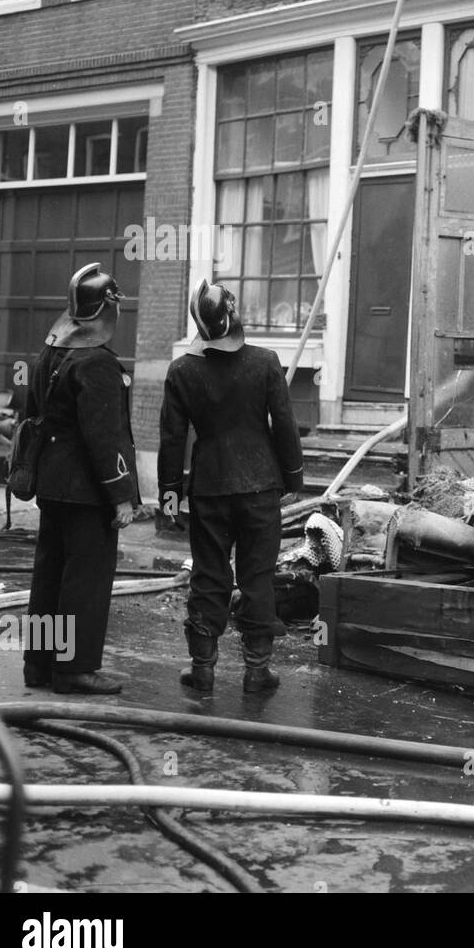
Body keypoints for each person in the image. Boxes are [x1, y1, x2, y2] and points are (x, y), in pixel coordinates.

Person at [158, 280, 304, 695]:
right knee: (258, 577)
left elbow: (171, 438)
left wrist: (170, 494)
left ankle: (202, 668)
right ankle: (257, 671)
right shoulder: (265, 362)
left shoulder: (182, 370)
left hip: (209, 488)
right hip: (260, 488)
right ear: (234, 315)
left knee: (208, 576)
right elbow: (285, 426)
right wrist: (293, 478)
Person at [24, 263, 139, 695]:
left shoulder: (49, 353)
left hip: (51, 487)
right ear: (107, 310)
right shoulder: (99, 365)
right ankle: (73, 669)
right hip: (88, 492)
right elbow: (104, 437)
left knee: (48, 575)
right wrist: (122, 497)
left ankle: (38, 666)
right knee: (84, 582)